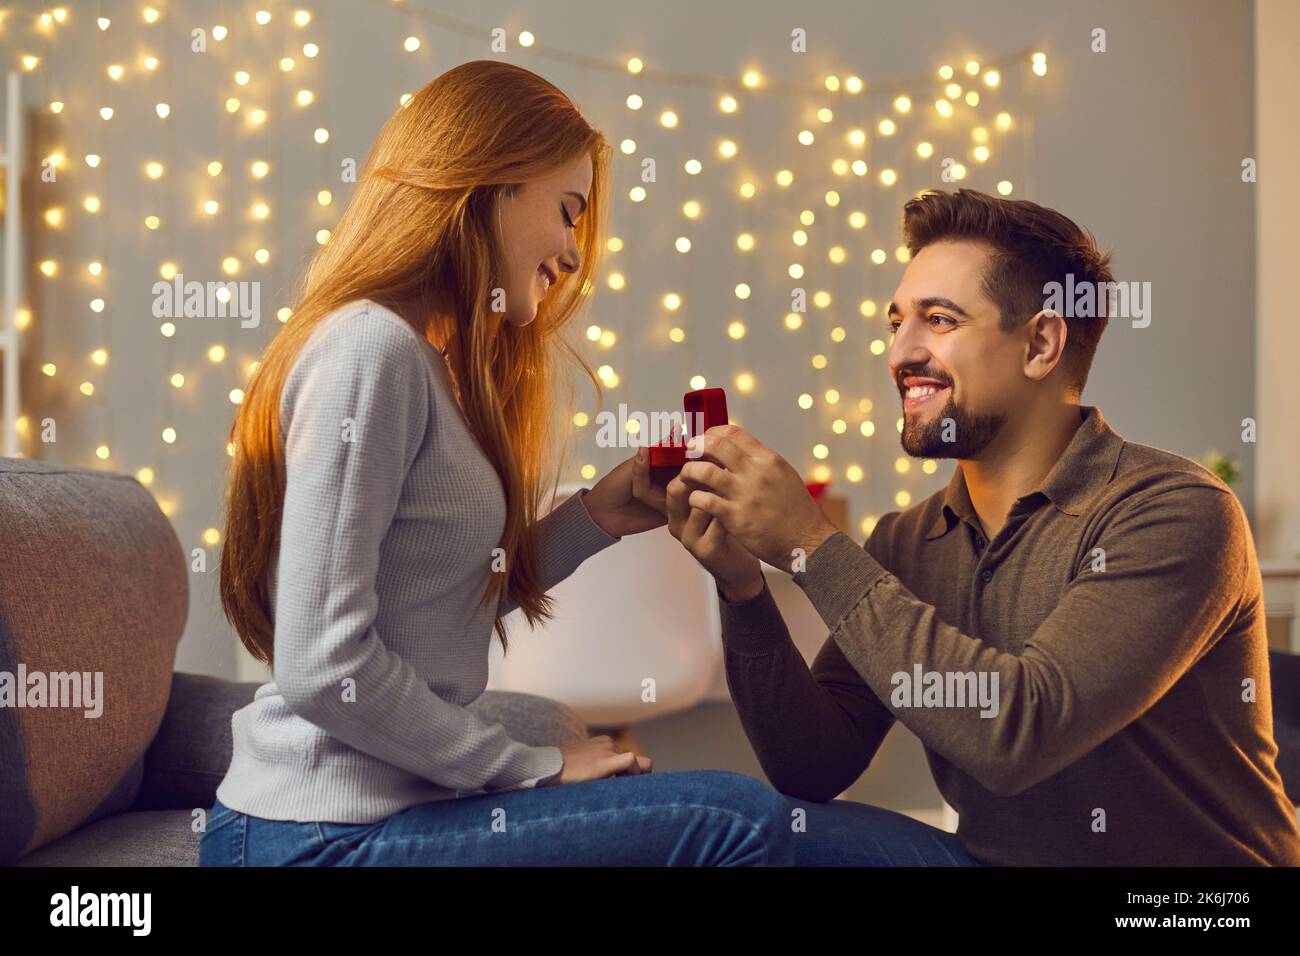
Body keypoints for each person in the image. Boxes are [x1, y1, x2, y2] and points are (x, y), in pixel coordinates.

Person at [202, 59, 803, 867]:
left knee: (731, 813)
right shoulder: (370, 349)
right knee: (731, 820)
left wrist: (599, 514)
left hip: (383, 817)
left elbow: (433, 600)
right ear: (488, 180)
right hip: (316, 836)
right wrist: (529, 767)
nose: (571, 255)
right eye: (567, 211)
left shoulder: (424, 363)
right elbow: (322, 666)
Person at [661, 188, 1300, 866]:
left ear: (1041, 343)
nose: (901, 352)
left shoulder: (1175, 510)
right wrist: (741, 591)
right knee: (734, 823)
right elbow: (813, 767)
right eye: (895, 323)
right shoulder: (907, 541)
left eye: (938, 320)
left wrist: (813, 546)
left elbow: (1018, 732)